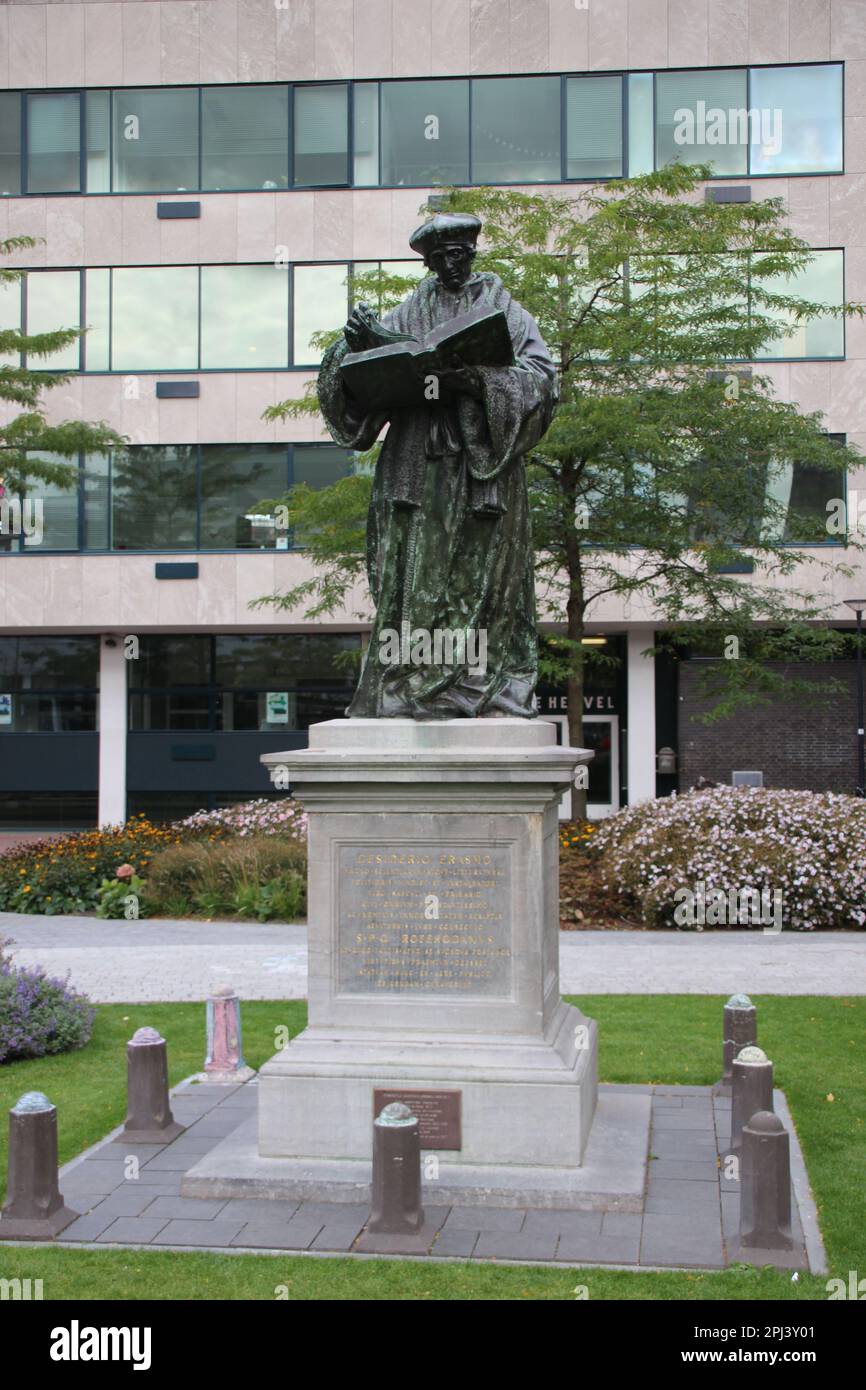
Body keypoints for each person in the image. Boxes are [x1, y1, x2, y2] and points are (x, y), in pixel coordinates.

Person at [318, 212, 558, 718]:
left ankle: (480, 682)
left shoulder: (507, 313)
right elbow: (356, 396)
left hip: (479, 472)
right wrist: (354, 346)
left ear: (472, 255)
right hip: (415, 465)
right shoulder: (406, 315)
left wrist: (473, 380)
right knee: (408, 572)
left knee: (484, 572)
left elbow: (541, 382)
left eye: (461, 255)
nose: (453, 264)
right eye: (442, 257)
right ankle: (408, 682)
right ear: (428, 262)